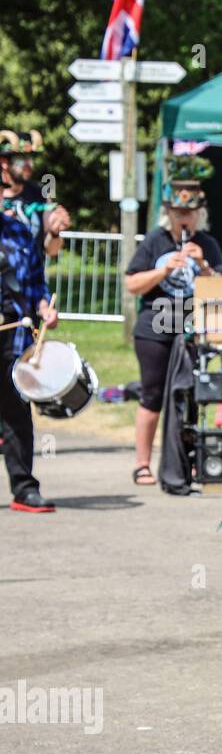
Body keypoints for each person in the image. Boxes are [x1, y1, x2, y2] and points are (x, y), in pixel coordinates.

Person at [124, 157, 222, 487]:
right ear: (168, 213)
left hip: (192, 329)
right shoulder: (155, 241)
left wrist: (205, 266)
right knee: (152, 394)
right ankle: (143, 463)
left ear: (199, 214)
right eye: (178, 213)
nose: (184, 218)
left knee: (190, 394)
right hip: (155, 326)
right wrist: (164, 270)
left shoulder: (207, 243)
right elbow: (132, 284)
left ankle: (187, 461)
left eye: (189, 213)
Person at [0, 167, 59, 513]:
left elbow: (36, 282)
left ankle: (24, 488)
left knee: (17, 412)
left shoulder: (20, 233)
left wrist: (44, 306)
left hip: (15, 334)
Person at [0, 129, 70, 259]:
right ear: (4, 162)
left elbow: (52, 250)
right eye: (21, 159)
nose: (28, 165)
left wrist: (55, 233)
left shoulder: (40, 194)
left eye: (30, 159)